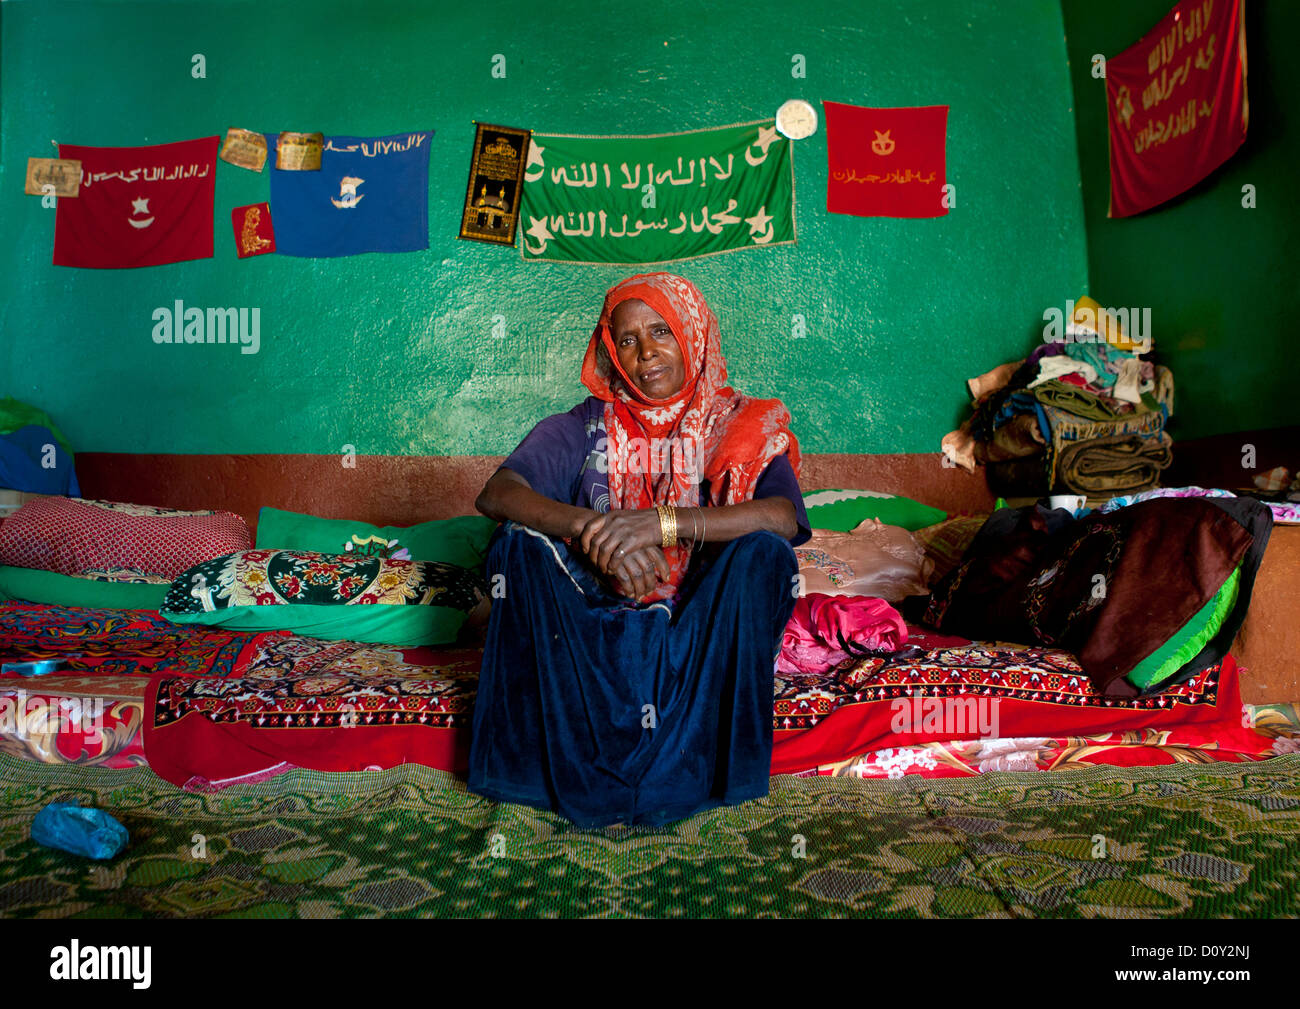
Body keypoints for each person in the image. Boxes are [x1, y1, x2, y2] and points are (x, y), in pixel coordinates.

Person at [469, 272, 810, 828]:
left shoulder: (741, 425)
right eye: (626, 339)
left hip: (702, 625)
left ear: (692, 335)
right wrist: (597, 534)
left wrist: (660, 524)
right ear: (611, 352)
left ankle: (724, 772)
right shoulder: (587, 425)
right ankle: (523, 776)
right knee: (515, 545)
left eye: (661, 331)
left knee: (765, 555)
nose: (645, 353)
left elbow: (782, 516)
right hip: (593, 624)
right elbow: (498, 493)